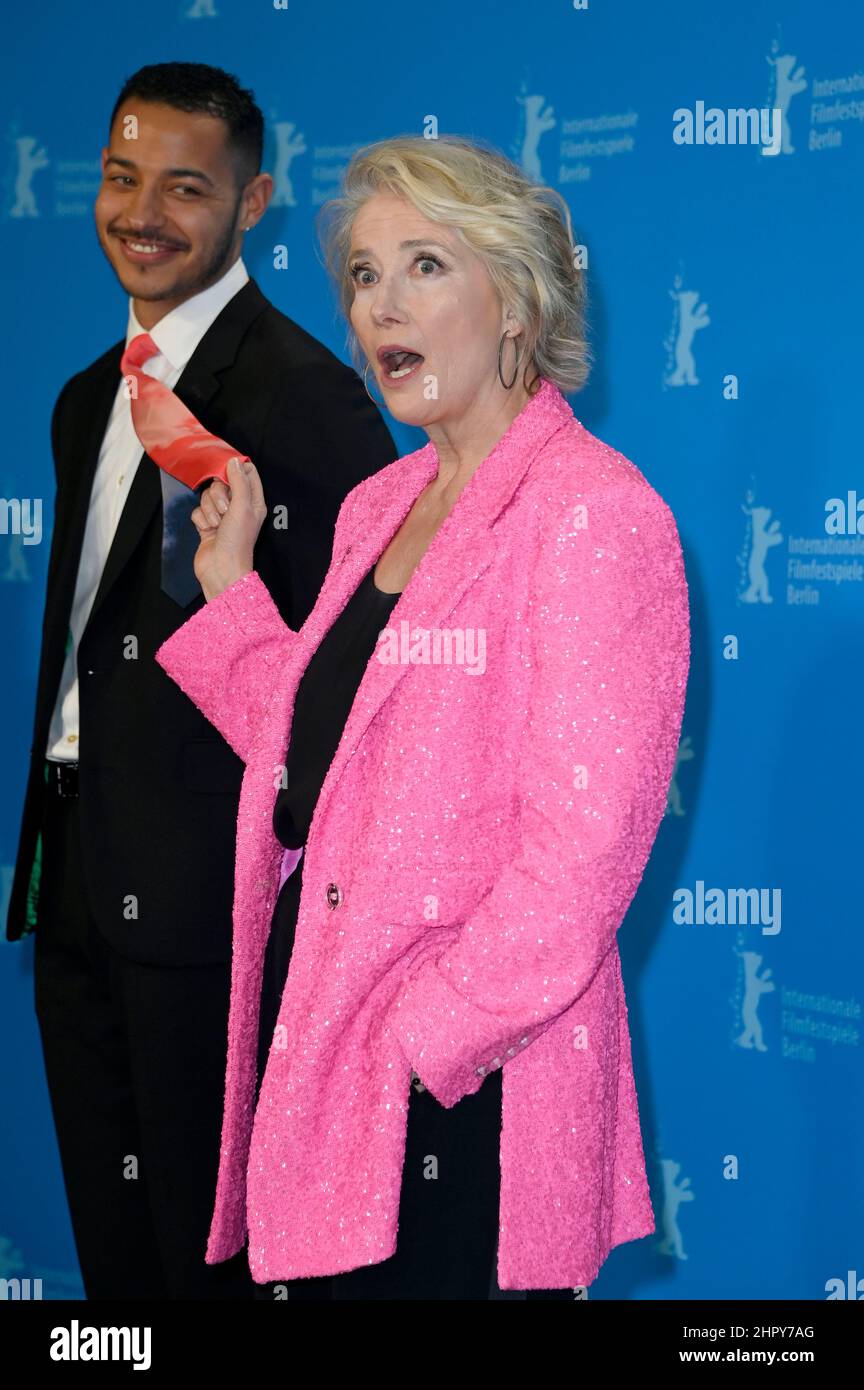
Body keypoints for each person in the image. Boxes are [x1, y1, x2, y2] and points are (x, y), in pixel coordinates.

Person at [155, 134, 691, 1300]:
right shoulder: (380, 504)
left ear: (517, 302)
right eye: (359, 273)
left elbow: (581, 865)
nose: (378, 303)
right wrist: (237, 596)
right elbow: (326, 765)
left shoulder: (594, 516)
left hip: (466, 1089)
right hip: (329, 1056)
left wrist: (418, 1042)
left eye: (424, 266)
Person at [6, 63, 396, 1301]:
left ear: (254, 202)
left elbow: (353, 671)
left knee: (203, 1264)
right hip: (72, 879)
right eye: (123, 179)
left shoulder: (306, 394)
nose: (144, 213)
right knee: (116, 1266)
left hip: (207, 913)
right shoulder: (85, 403)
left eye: (186, 186)